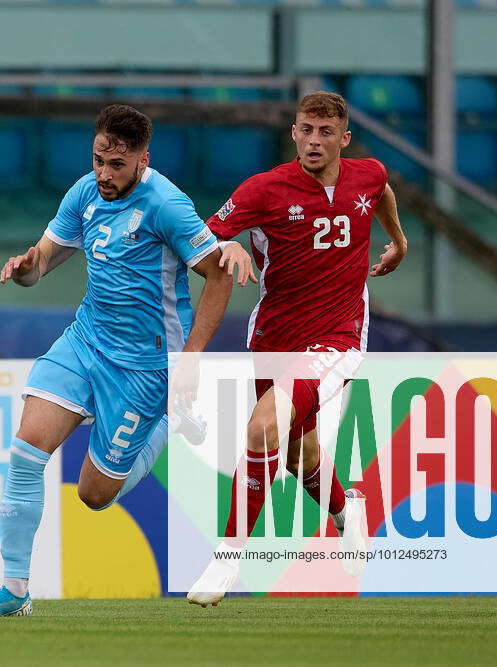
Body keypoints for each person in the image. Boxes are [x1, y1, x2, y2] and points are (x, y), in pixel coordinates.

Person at [0, 104, 233, 617]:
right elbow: (41, 261)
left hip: (145, 367)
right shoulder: (84, 193)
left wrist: (192, 359)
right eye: (98, 160)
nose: (104, 174)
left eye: (116, 164)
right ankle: (14, 591)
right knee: (25, 451)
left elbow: (218, 276)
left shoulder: (168, 206)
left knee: (94, 494)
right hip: (85, 341)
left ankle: (169, 420)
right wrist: (24, 266)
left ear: (141, 159)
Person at [187, 91, 408, 606]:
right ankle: (344, 507)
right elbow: (199, 236)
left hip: (338, 333)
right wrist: (228, 243)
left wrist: (398, 240)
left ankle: (227, 558)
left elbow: (384, 193)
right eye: (306, 130)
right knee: (293, 451)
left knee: (263, 425)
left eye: (325, 132)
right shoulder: (262, 190)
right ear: (293, 132)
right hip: (273, 336)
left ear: (343, 139)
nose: (314, 140)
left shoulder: (367, 174)